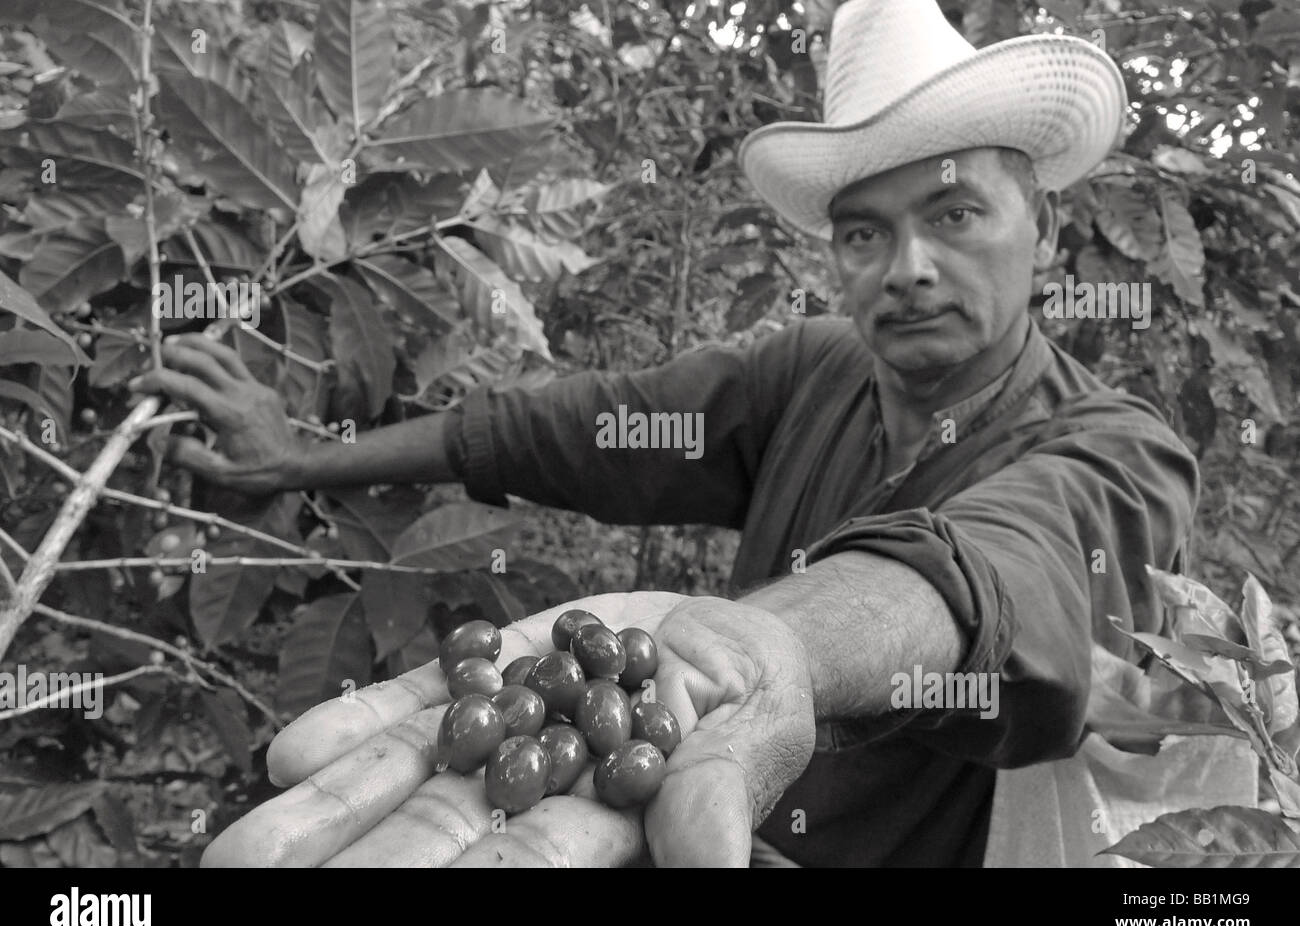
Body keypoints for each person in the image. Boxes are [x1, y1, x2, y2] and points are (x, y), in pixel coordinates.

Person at [128, 0, 1198, 867]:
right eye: (865, 231)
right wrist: (305, 456)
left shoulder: (1118, 453)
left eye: (955, 213)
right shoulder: (812, 373)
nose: (908, 267)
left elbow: (1003, 572)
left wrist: (772, 644)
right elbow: (568, 430)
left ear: (1045, 231)